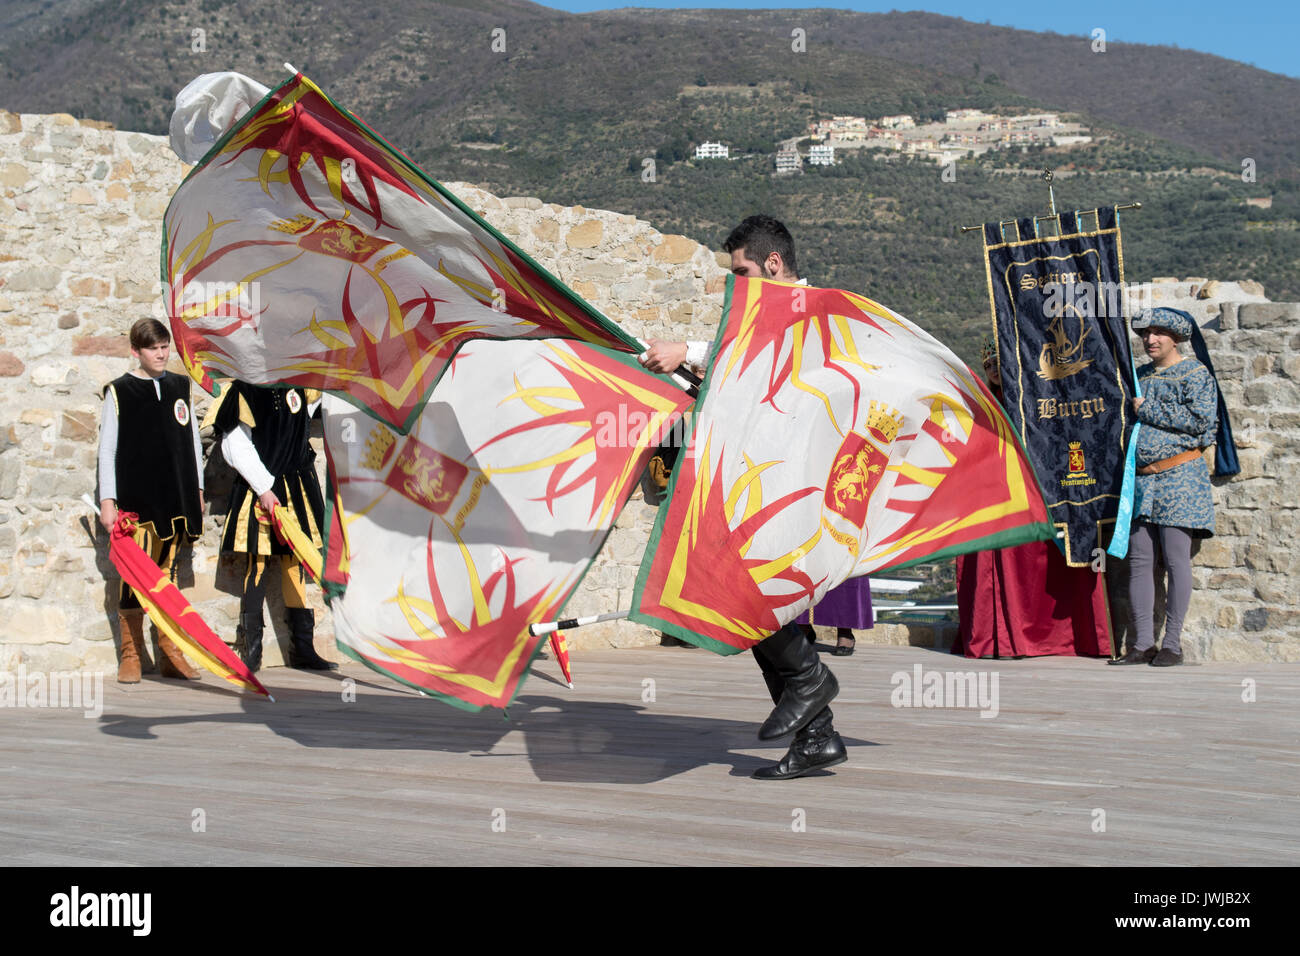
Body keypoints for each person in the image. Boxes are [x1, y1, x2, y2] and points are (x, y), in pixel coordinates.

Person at [641, 215, 846, 780]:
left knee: (744, 586)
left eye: (743, 270)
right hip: (762, 477)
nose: (738, 282)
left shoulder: (810, 310)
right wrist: (685, 371)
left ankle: (808, 680)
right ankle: (816, 735)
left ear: (773, 264)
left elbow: (767, 362)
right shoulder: (768, 315)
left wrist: (689, 348)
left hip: (789, 484)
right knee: (758, 601)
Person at [953, 337, 1112, 658]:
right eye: (989, 366)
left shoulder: (1035, 400)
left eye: (1000, 364)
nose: (995, 371)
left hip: (1037, 493)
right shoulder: (979, 404)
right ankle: (1000, 638)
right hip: (991, 495)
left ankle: (1058, 637)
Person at [98, 318, 204, 683]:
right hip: (136, 501)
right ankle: (131, 653)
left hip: (174, 497)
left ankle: (170, 652)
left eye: (164, 347)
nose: (161, 354)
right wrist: (108, 501)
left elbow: (191, 442)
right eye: (152, 348)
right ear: (136, 351)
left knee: (168, 577)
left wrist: (198, 489)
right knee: (133, 578)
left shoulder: (179, 386)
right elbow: (107, 450)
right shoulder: (119, 392)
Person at [1111, 309, 1218, 667]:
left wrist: (1149, 410)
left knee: (1175, 560)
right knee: (1140, 562)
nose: (1150, 340)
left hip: (1180, 478)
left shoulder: (1195, 374)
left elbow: (1203, 425)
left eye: (1158, 334)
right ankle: (1142, 644)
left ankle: (1172, 644)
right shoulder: (1139, 376)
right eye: (1146, 334)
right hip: (1143, 482)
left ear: (1176, 338)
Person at [212, 381, 337, 671]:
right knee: (258, 561)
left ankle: (302, 648)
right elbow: (235, 444)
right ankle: (251, 650)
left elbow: (313, 410)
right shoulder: (246, 390)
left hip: (297, 485)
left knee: (295, 560)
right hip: (261, 487)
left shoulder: (303, 384)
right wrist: (264, 487)